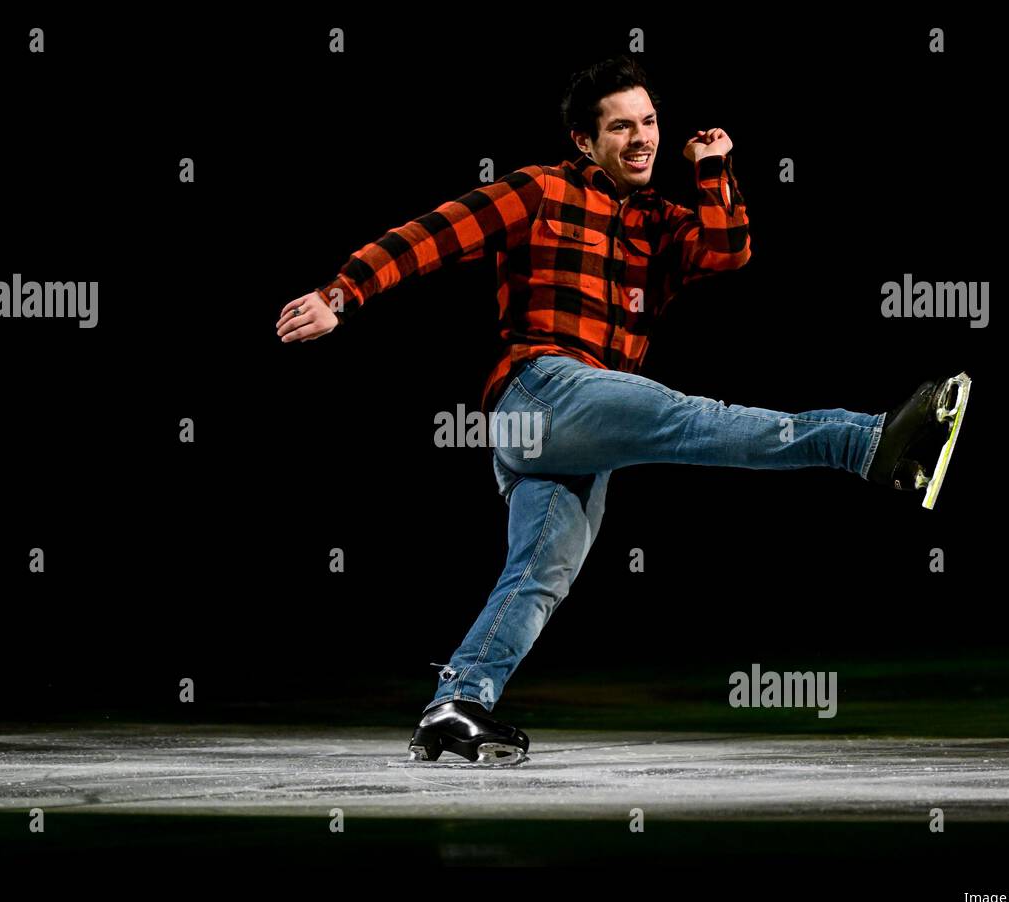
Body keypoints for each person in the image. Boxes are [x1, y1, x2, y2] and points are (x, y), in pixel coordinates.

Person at [277, 55, 966, 766]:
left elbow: (729, 252)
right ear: (584, 140)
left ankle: (458, 702)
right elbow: (430, 235)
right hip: (543, 390)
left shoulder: (661, 224)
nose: (642, 139)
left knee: (540, 575)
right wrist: (340, 295)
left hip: (579, 432)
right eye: (621, 127)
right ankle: (867, 443)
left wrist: (712, 168)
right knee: (691, 419)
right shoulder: (539, 190)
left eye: (650, 123)